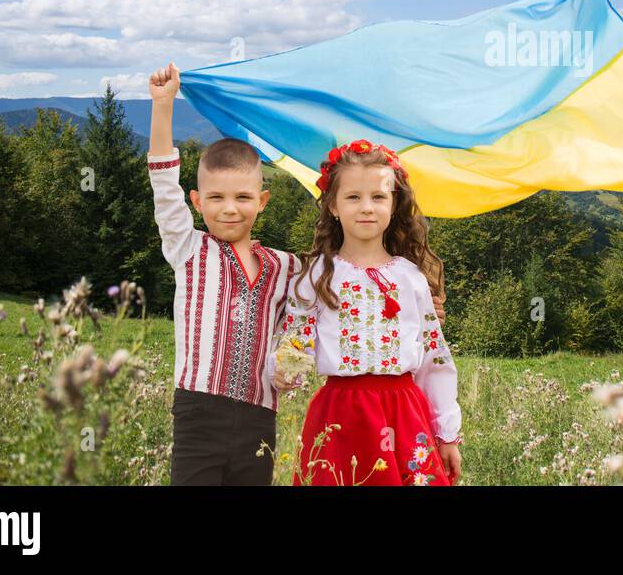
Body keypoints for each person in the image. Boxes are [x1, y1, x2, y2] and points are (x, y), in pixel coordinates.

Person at [147, 60, 300, 485]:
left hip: (260, 415)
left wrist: (420, 297)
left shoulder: (286, 267)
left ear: (263, 200)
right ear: (197, 201)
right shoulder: (189, 248)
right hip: (198, 411)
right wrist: (163, 105)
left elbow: (336, 286)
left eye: (242, 197)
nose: (229, 208)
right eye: (215, 197)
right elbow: (163, 183)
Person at [279, 138, 462, 485]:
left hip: (404, 413)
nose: (367, 207)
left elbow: (434, 359)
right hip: (339, 414)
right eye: (353, 197)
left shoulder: (411, 278)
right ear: (333, 205)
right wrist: (287, 370)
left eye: (378, 197)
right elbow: (296, 345)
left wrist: (447, 434)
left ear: (394, 205)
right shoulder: (316, 275)